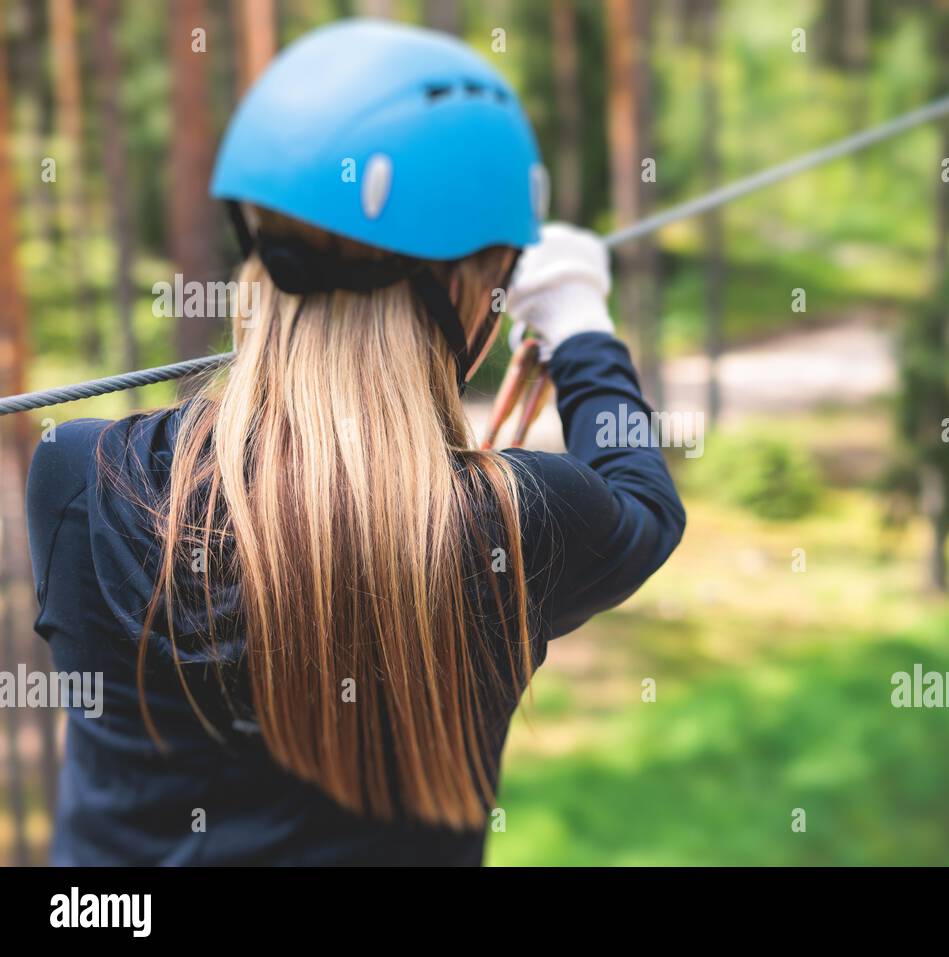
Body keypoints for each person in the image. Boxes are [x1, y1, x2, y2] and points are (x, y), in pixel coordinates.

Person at [24, 20, 684, 865]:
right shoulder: (515, 528)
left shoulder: (80, 479)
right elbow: (645, 503)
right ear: (464, 293)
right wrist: (582, 326)